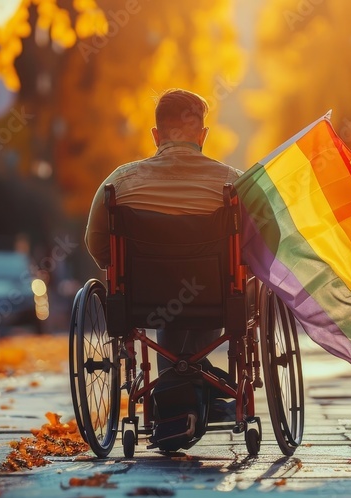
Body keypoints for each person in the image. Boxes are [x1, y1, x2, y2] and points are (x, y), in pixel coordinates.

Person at [85, 90, 242, 444]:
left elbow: (96, 244)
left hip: (145, 301)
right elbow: (263, 240)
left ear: (156, 135)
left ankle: (177, 391)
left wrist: (125, 281)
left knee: (169, 303)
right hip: (215, 299)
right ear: (203, 135)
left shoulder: (119, 183)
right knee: (221, 283)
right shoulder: (233, 183)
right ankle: (195, 382)